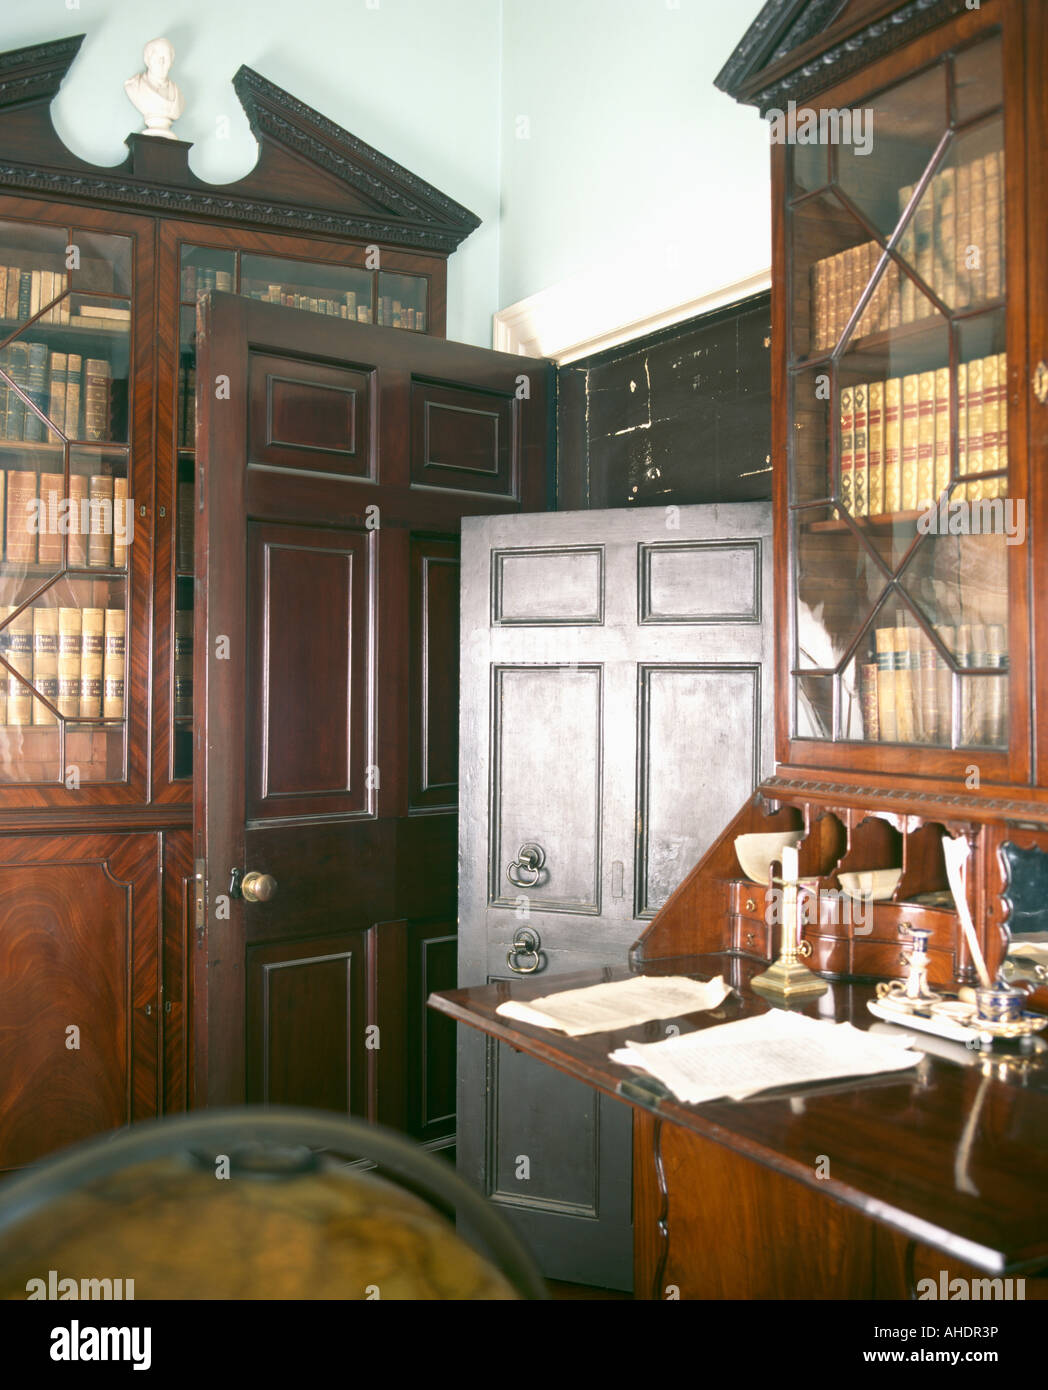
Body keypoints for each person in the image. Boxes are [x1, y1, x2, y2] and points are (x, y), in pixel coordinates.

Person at [124, 38, 185, 140]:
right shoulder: (134, 86)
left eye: (166, 57)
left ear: (172, 62)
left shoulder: (178, 96)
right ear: (147, 60)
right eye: (157, 56)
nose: (161, 61)